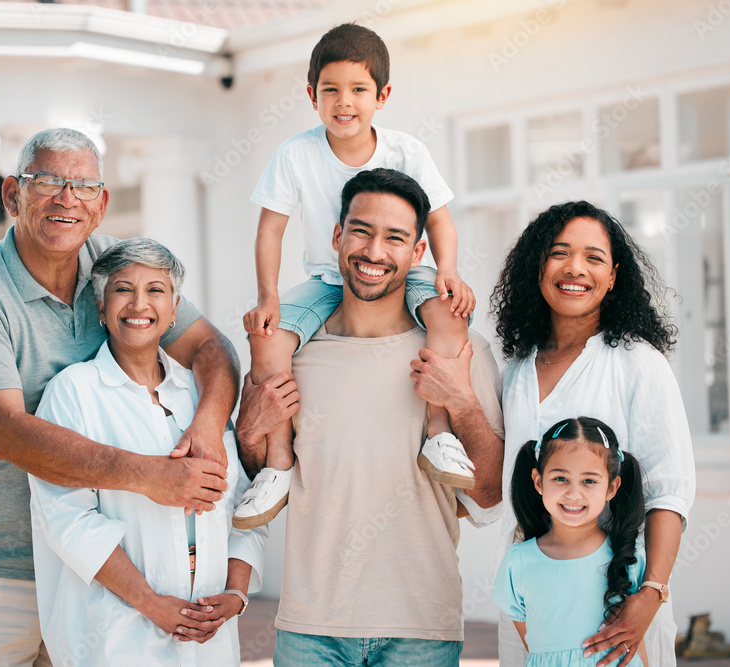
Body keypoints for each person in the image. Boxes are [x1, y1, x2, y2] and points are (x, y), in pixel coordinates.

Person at [0, 128, 240, 666]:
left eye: (84, 186)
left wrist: (208, 426)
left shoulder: (119, 273)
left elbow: (211, 346)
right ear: (11, 195)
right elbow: (7, 432)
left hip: (91, 571)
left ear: (101, 203)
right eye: (47, 181)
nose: (66, 198)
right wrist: (152, 475)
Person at [237, 168, 504, 665]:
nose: (374, 252)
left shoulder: (461, 354)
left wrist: (460, 402)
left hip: (421, 630)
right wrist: (249, 430)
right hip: (310, 629)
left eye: (396, 238)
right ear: (337, 237)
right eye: (361, 230)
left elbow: (488, 497)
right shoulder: (290, 351)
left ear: (418, 253)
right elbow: (257, 478)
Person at [234, 24, 476, 530]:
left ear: (382, 96)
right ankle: (279, 462)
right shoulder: (295, 154)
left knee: (449, 315)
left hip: (402, 271)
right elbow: (270, 232)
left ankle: (438, 433)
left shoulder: (406, 151)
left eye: (359, 90)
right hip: (327, 279)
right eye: (331, 90)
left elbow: (440, 221)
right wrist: (268, 296)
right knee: (270, 339)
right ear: (311, 96)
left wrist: (447, 272)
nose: (344, 102)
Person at [28, 238, 265, 665]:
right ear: (101, 308)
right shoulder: (74, 392)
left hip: (210, 636)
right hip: (117, 635)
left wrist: (236, 593)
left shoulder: (201, 396)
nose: (140, 304)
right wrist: (153, 604)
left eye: (156, 290)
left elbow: (245, 502)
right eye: (123, 289)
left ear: (175, 311)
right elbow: (67, 519)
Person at [490, 201, 696, 667]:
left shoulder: (637, 364)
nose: (575, 269)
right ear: (537, 265)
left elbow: (670, 492)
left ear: (614, 275)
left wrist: (651, 593)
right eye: (559, 252)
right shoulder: (517, 371)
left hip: (618, 604)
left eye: (594, 257)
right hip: (532, 605)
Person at [494, 417, 648, 667]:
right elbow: (535, 652)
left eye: (589, 481)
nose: (574, 493)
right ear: (538, 481)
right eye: (560, 478)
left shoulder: (629, 557)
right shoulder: (518, 562)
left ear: (612, 488)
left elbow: (635, 646)